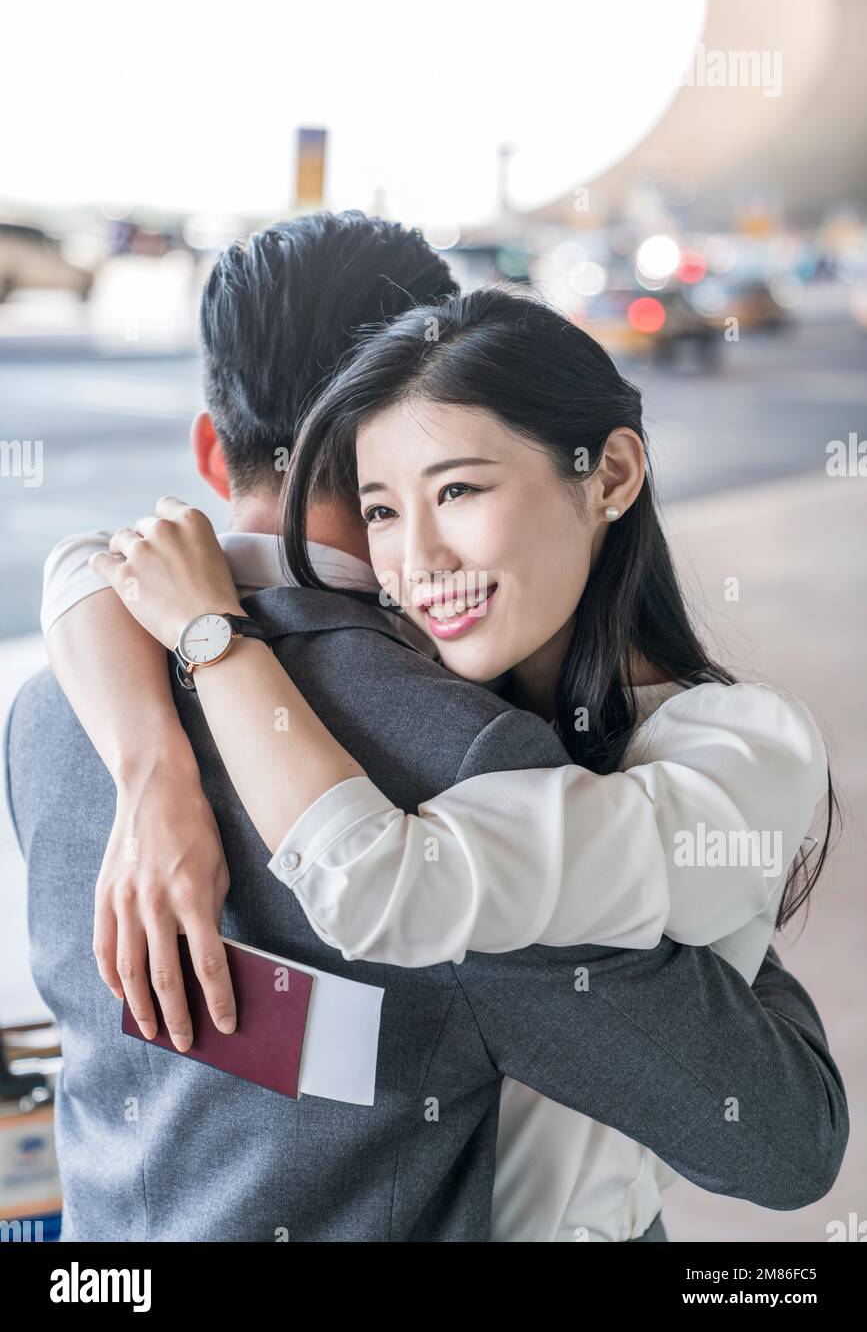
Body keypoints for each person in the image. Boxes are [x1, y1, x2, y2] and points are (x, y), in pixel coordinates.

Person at [21, 230, 845, 1241]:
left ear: (210, 447)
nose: (419, 550)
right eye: (389, 504)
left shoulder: (56, 703)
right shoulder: (455, 753)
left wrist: (162, 747)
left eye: (458, 487)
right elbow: (777, 1138)